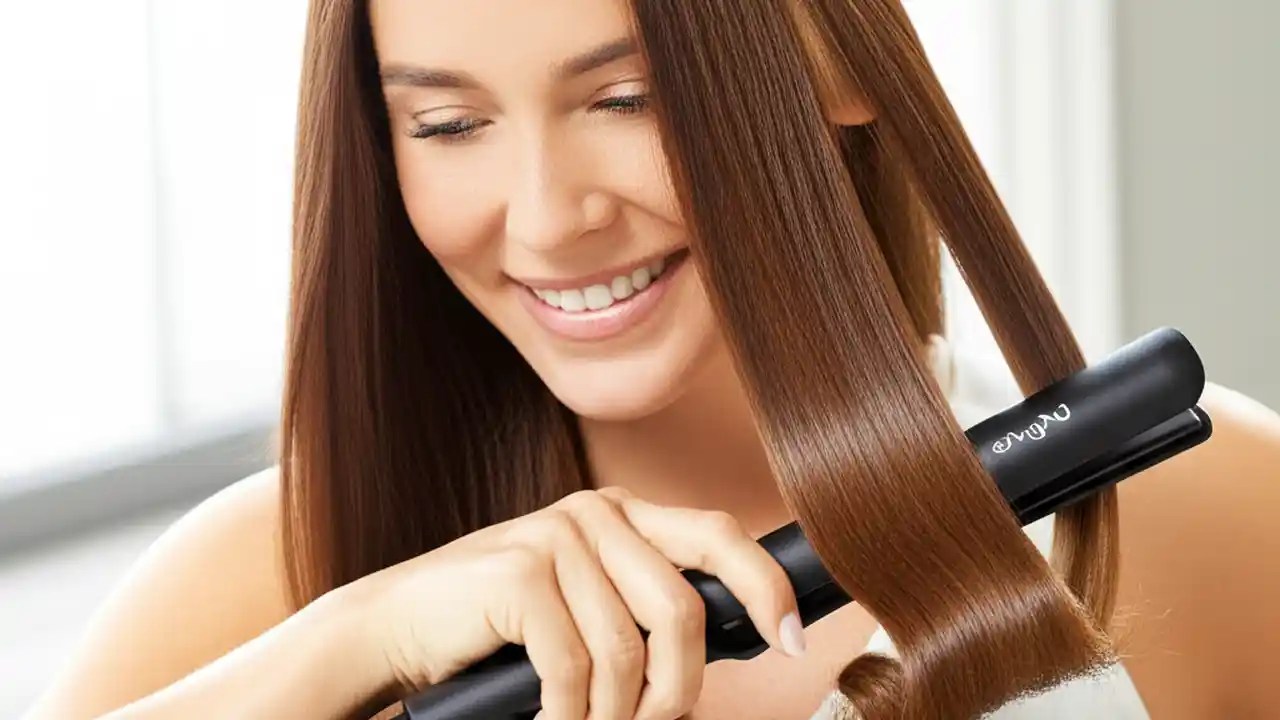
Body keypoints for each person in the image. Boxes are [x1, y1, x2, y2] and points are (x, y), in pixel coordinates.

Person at [24, 0, 1280, 718]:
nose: (545, 216)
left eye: (623, 99)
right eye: (448, 124)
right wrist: (357, 641)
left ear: (832, 59)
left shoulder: (1194, 507)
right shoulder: (275, 578)